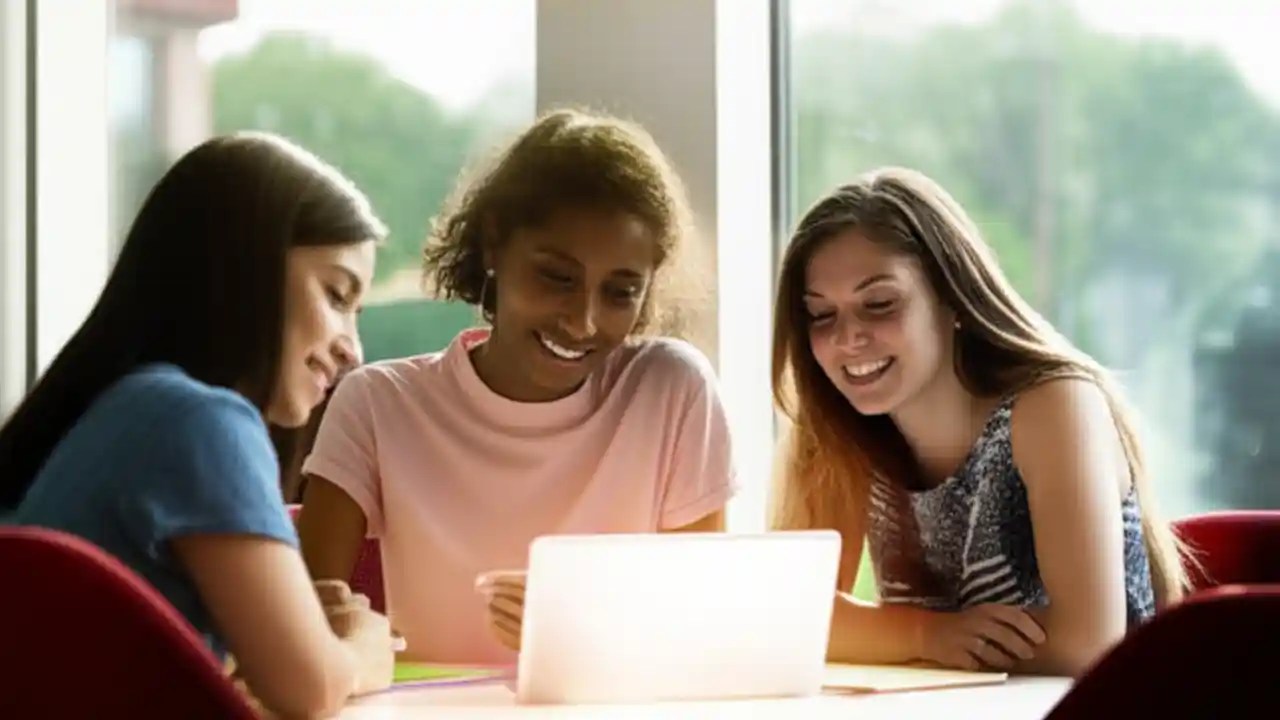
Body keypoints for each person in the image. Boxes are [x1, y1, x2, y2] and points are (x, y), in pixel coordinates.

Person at [297, 108, 737, 665]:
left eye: (621, 292)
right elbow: (304, 637)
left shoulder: (672, 390)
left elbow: (706, 627)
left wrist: (584, 640)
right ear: (493, 244)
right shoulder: (377, 405)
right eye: (557, 277)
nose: (583, 322)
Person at [1, 133, 398, 717]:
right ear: (245, 268)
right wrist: (363, 649)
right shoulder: (199, 421)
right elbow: (307, 689)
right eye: (336, 294)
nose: (353, 350)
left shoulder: (120, 408)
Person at [770, 167, 1187, 677]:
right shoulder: (836, 425)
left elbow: (1086, 644)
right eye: (821, 315)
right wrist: (928, 635)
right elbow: (790, 618)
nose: (847, 338)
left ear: (953, 300)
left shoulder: (1054, 404)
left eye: (879, 304)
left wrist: (894, 637)